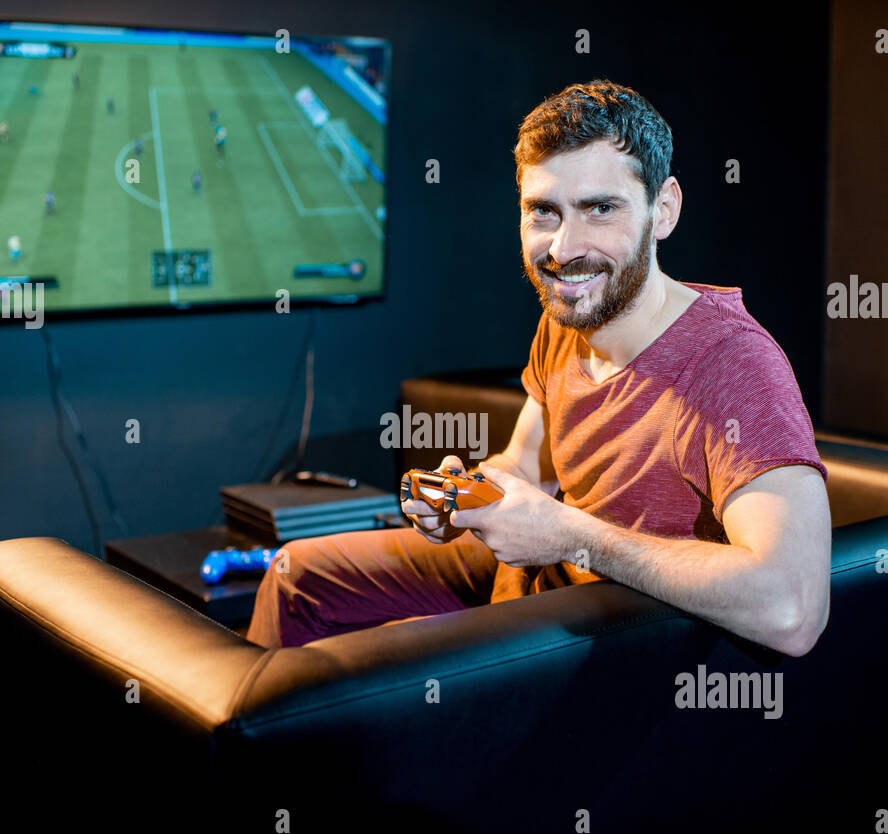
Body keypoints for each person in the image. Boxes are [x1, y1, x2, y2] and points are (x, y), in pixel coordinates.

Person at [246, 79, 832, 657]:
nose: (562, 248)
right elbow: (525, 463)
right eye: (543, 212)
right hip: (533, 583)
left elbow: (791, 608)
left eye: (600, 208)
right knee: (296, 574)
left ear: (665, 210)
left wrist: (569, 536)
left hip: (601, 636)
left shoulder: (735, 364)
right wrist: (465, 498)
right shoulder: (568, 317)